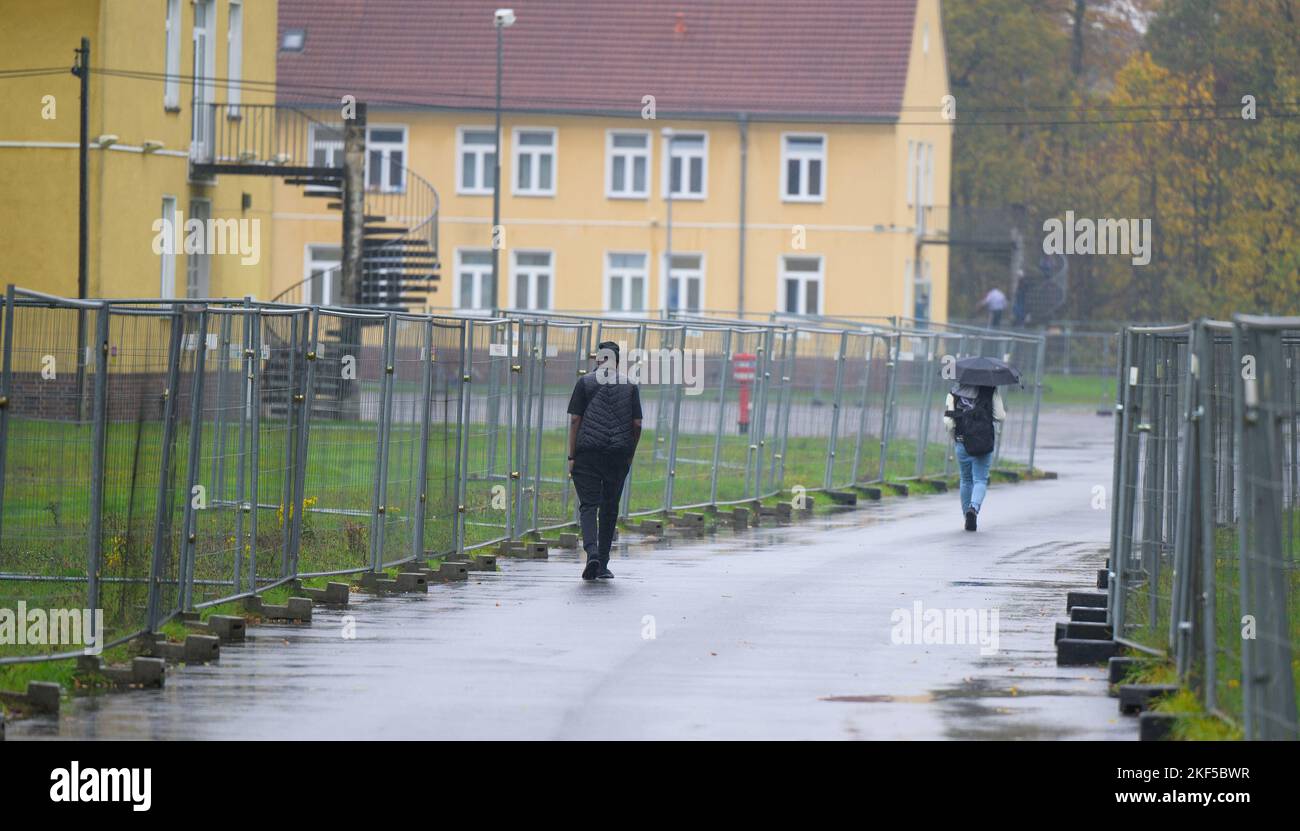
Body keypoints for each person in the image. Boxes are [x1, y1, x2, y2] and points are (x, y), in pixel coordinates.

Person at [567, 341, 642, 580]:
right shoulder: (629, 386)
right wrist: (630, 452)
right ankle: (603, 564)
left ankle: (592, 554)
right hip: (617, 455)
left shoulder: (585, 383)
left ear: (598, 360)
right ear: (617, 362)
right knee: (609, 508)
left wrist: (571, 455)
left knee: (589, 505)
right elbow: (637, 424)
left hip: (587, 453)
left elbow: (575, 420)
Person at [943, 382, 1006, 532]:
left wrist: (955, 437)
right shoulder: (991, 389)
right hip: (983, 441)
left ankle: (967, 517)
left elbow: (948, 421)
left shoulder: (954, 392)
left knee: (966, 479)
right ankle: (974, 508)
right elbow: (1000, 416)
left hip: (961, 441)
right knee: (980, 479)